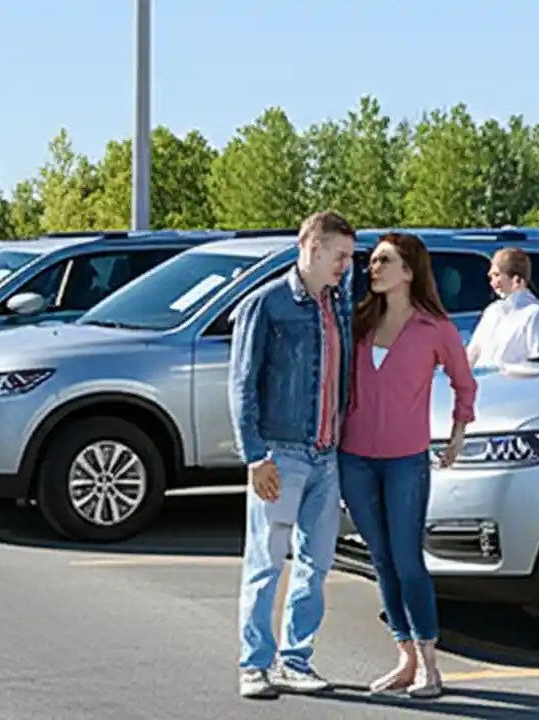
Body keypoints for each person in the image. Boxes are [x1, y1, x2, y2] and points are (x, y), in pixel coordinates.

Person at [338, 233, 476, 698]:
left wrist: (456, 438)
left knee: (407, 560)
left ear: (409, 271)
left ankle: (430, 667)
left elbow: (465, 384)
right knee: (380, 560)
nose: (372, 268)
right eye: (372, 261)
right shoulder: (358, 321)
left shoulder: (434, 328)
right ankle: (405, 658)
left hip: (405, 462)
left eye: (384, 261)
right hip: (354, 459)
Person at [228, 210, 356, 700]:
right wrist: (254, 455)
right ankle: (254, 665)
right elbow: (243, 384)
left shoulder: (337, 304)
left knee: (315, 563)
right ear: (313, 248)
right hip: (281, 452)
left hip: (327, 454)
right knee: (265, 561)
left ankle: (295, 660)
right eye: (341, 255)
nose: (347, 265)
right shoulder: (268, 304)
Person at [467, 247, 539, 367]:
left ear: (517, 280)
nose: (492, 283)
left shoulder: (535, 314)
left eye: (496, 275)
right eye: (491, 277)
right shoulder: (493, 311)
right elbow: (471, 356)